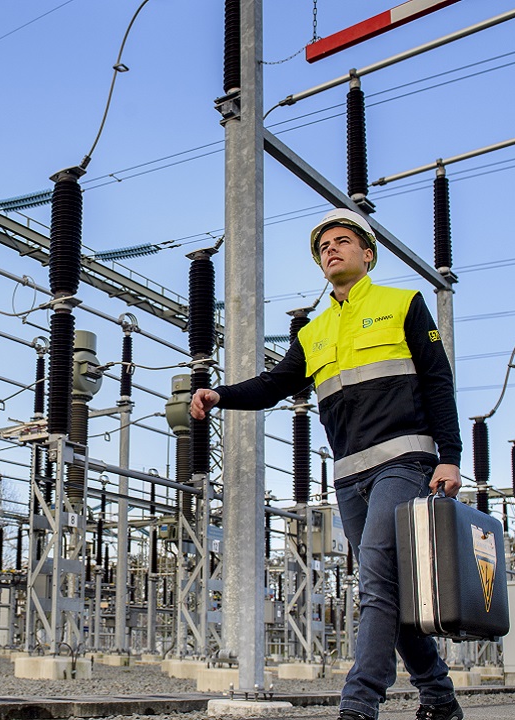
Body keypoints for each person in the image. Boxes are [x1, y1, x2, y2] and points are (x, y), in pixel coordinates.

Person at [190, 208, 464, 720]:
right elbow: (274, 386)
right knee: (391, 591)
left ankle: (358, 705)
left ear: (367, 253)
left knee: (377, 583)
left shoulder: (403, 304)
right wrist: (220, 394)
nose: (331, 250)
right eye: (323, 247)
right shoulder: (313, 333)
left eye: (341, 241)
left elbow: (438, 382)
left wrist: (450, 458)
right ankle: (440, 698)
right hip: (349, 475)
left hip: (404, 460)